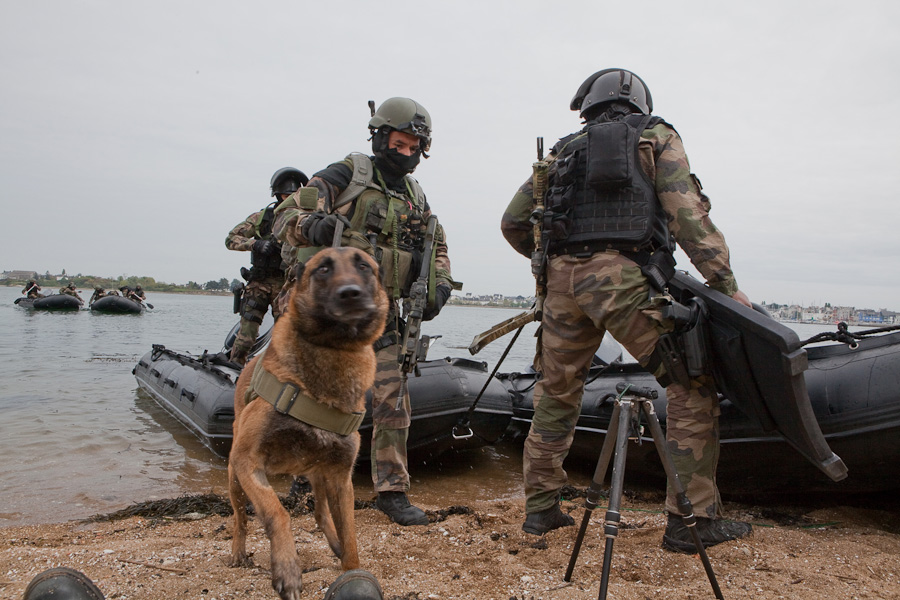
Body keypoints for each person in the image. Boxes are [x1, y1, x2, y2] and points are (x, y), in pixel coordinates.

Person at [501, 69, 753, 552]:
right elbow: (687, 214)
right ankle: (690, 522)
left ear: (589, 106)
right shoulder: (654, 137)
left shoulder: (559, 154)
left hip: (561, 287)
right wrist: (724, 282)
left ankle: (540, 511)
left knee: (556, 394)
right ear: (638, 102)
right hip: (623, 280)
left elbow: (514, 223)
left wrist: (559, 260)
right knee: (690, 386)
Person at [273, 98, 457, 526]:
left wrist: (440, 283)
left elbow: (438, 243)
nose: (406, 153)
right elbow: (285, 215)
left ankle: (392, 491)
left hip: (380, 316)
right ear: (379, 137)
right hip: (325, 314)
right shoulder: (345, 176)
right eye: (399, 143)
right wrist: (311, 225)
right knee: (305, 396)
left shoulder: (414, 195)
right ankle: (300, 481)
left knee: (393, 399)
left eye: (415, 147)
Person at [226, 167, 309, 365]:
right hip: (260, 283)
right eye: (285, 194)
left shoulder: (305, 221)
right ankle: (235, 367)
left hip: (286, 286)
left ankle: (278, 377)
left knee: (286, 337)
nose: (288, 198)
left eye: (293, 194)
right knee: (247, 334)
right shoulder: (261, 218)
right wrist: (255, 244)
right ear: (277, 194)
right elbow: (231, 239)